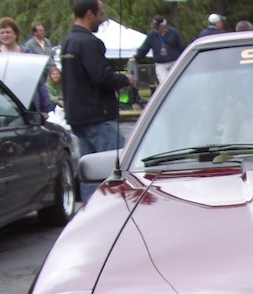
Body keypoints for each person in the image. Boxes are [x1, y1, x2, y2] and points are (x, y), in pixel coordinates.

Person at [60, 0, 135, 200]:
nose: (102, 18)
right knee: (117, 167)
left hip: (77, 117)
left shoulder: (68, 42)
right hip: (98, 116)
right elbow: (101, 77)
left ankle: (90, 209)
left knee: (90, 173)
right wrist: (124, 79)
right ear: (89, 14)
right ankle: (116, 208)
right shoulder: (90, 43)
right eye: (100, 13)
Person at [129, 16, 184, 84]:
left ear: (162, 25)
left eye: (157, 27)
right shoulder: (151, 35)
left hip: (174, 62)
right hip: (161, 64)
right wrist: (136, 57)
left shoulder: (173, 33)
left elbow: (181, 46)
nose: (156, 29)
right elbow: (145, 48)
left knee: (178, 81)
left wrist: (184, 57)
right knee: (164, 83)